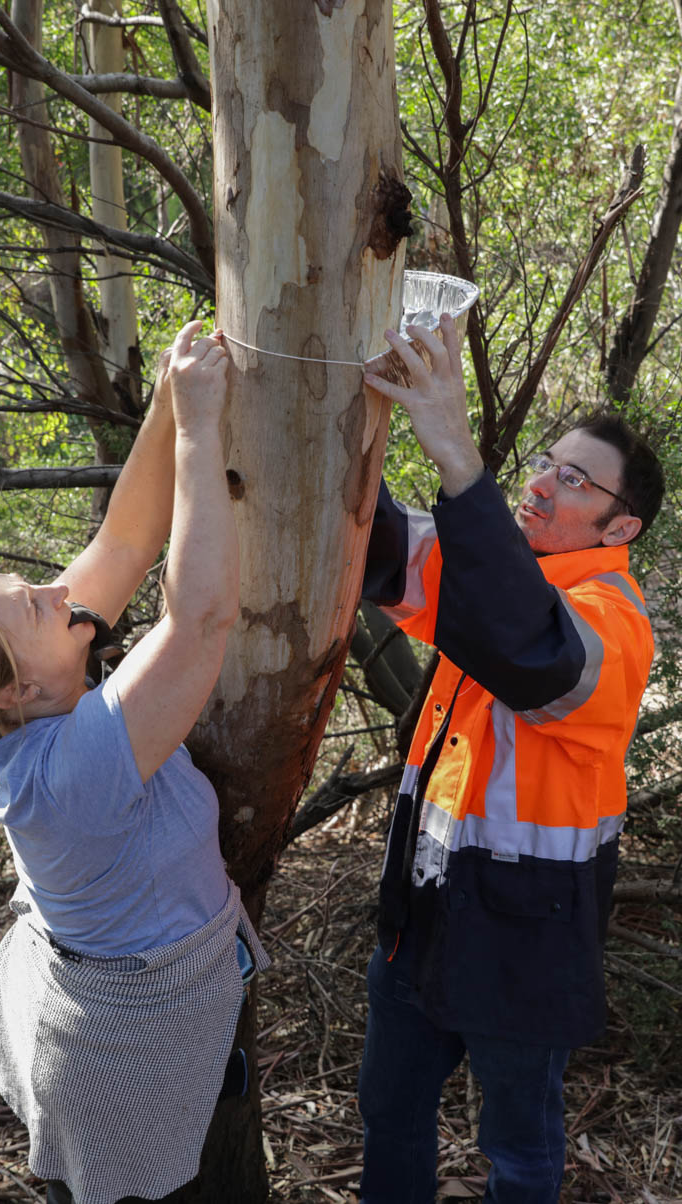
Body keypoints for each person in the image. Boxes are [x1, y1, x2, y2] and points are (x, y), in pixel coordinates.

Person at [0, 321, 268, 1204]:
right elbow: (202, 618)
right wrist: (200, 427)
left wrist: (171, 397)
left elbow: (127, 541)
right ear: (14, 687)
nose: (60, 590)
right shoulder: (72, 770)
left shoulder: (17, 703)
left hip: (117, 1006)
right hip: (122, 1058)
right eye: (34, 603)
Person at [355, 313, 664, 1204]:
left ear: (620, 525)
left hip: (526, 940)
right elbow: (383, 547)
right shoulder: (496, 576)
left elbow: (536, 656)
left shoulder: (614, 625)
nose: (539, 484)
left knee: (519, 1153)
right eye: (546, 463)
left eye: (573, 479)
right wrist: (347, 406)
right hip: (420, 916)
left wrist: (457, 454)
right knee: (390, 1114)